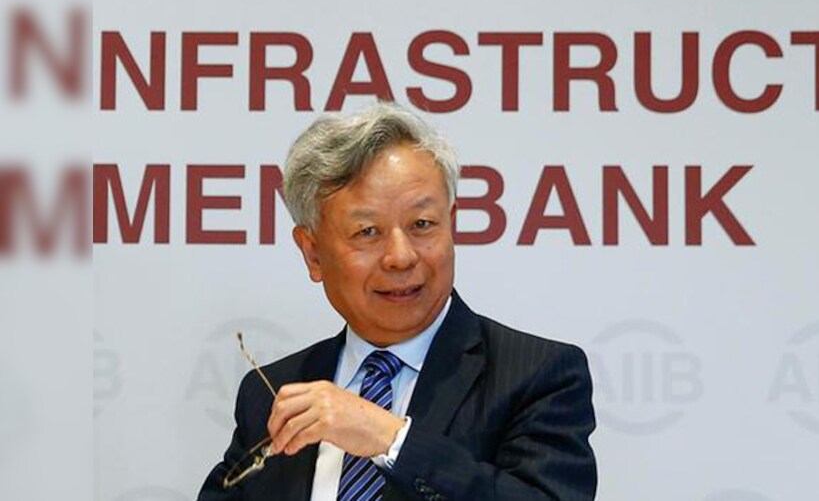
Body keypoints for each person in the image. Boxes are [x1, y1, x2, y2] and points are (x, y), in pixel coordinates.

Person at [197, 103, 598, 501]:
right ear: (313, 253)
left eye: (422, 224)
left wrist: (390, 439)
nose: (401, 257)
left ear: (451, 224)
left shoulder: (537, 376)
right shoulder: (273, 393)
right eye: (368, 231)